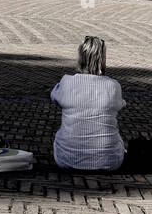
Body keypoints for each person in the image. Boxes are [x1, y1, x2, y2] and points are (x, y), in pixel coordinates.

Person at [50, 35, 126, 171]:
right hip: (110, 161)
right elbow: (120, 104)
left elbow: (54, 97)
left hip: (66, 159)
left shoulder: (66, 82)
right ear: (102, 60)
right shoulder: (113, 86)